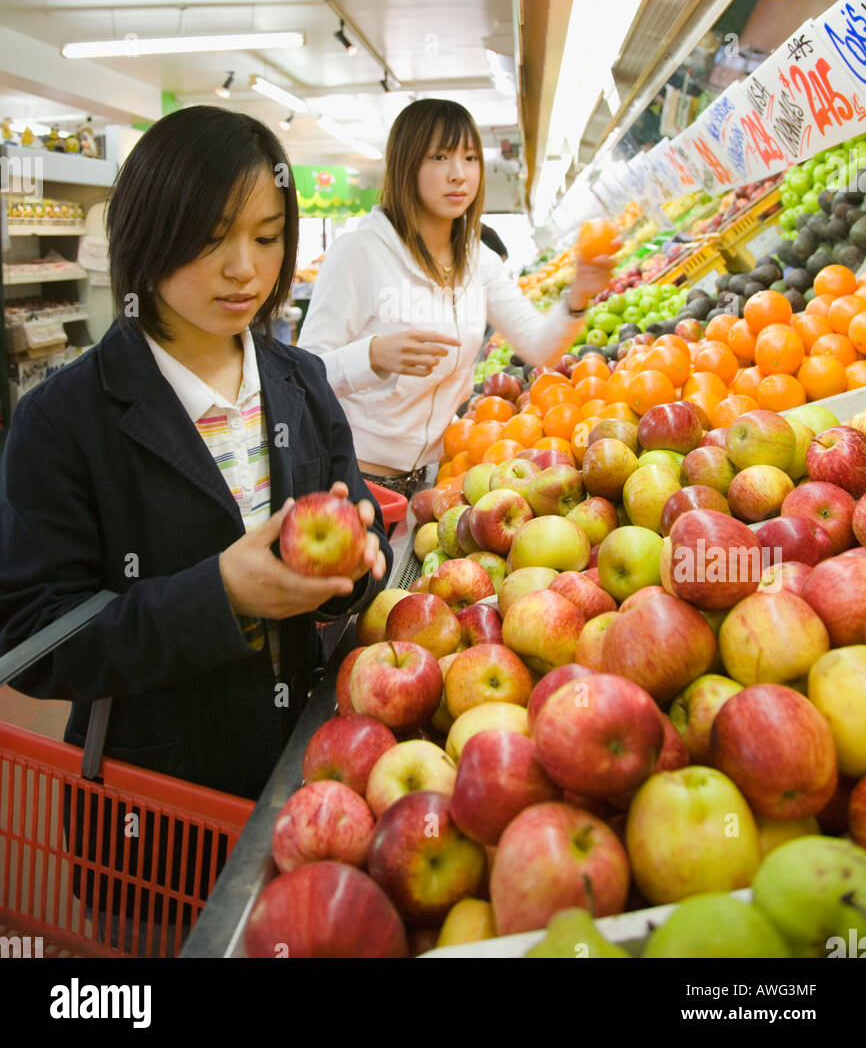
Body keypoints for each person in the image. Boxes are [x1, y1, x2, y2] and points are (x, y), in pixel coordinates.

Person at [0, 106, 391, 801]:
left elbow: (360, 519)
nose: (245, 269)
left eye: (268, 237)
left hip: (303, 778)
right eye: (211, 239)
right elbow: (32, 640)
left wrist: (358, 568)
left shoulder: (301, 382)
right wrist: (218, 597)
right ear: (148, 235)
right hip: (150, 803)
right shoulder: (63, 419)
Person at [298, 99, 615, 497]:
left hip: (434, 479)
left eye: (469, 158)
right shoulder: (359, 253)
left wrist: (579, 294)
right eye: (440, 157)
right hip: (352, 479)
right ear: (405, 164)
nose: (458, 175)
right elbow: (303, 376)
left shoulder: (478, 261)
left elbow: (538, 345)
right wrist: (373, 355)